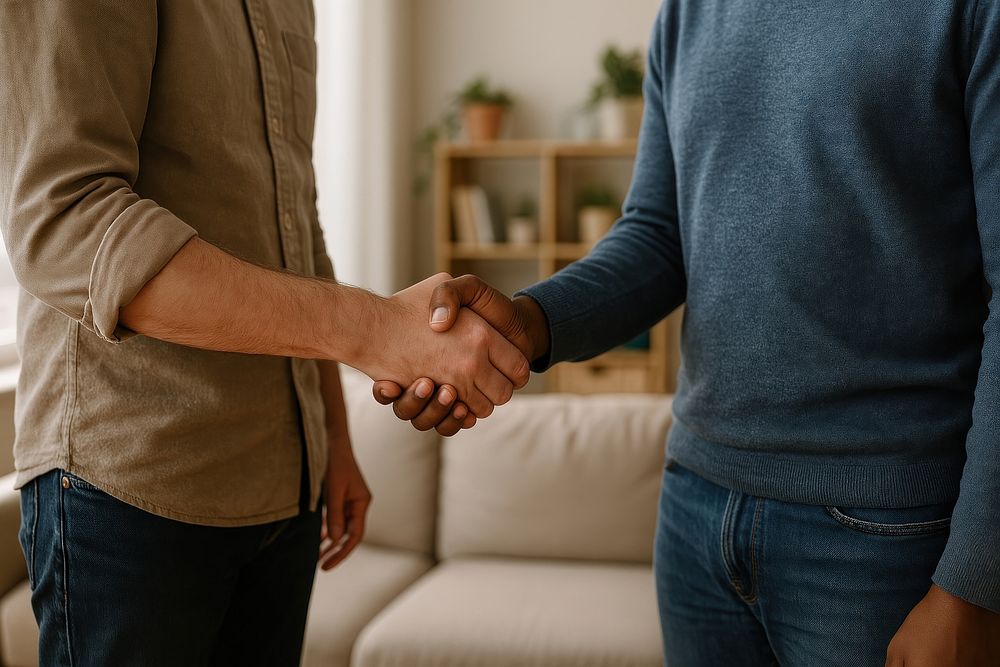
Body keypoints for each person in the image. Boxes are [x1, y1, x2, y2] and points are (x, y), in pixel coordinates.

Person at [376, 0, 1000, 664]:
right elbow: (657, 236)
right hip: (695, 513)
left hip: (885, 530)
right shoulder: (688, 14)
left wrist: (973, 582)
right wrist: (525, 322)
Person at [0, 2, 527, 665]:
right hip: (132, 489)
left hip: (285, 489)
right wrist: (376, 329)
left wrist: (330, 435)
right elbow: (65, 220)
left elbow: (294, 219)